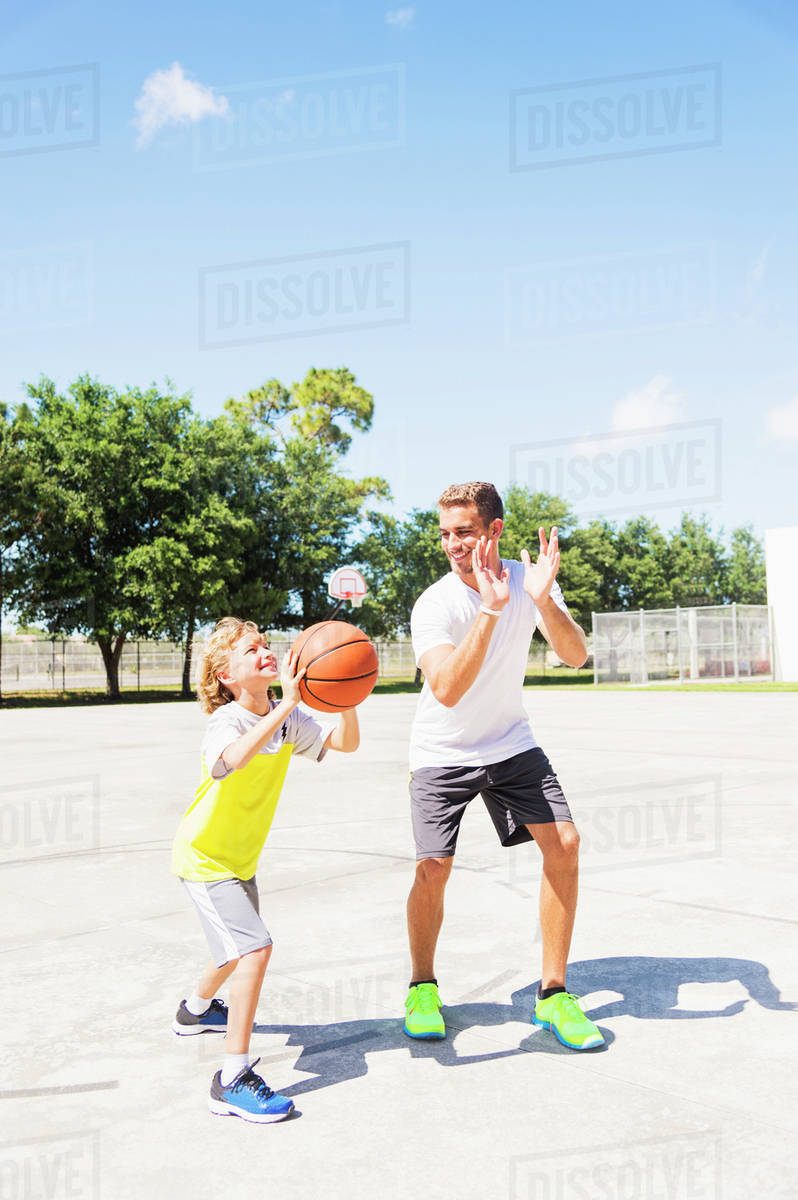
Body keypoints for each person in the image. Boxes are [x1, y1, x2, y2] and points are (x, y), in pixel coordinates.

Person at [403, 482, 604, 1050]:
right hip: (442, 751)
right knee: (433, 870)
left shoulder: (528, 582)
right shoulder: (435, 604)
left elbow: (574, 654)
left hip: (511, 742)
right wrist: (490, 610)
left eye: (463, 532)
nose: (451, 544)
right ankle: (421, 985)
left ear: (493, 530)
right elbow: (444, 688)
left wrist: (540, 599)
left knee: (564, 843)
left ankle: (554, 994)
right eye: (444, 534)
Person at [171, 617, 360, 1123]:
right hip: (205, 858)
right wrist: (295, 704)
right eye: (250, 649)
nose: (265, 652)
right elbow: (229, 760)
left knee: (233, 952)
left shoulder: (284, 716)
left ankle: (194, 1011)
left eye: (264, 644)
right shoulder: (228, 721)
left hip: (238, 858)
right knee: (254, 947)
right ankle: (231, 1078)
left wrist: (348, 692)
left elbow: (344, 743)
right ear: (227, 676)